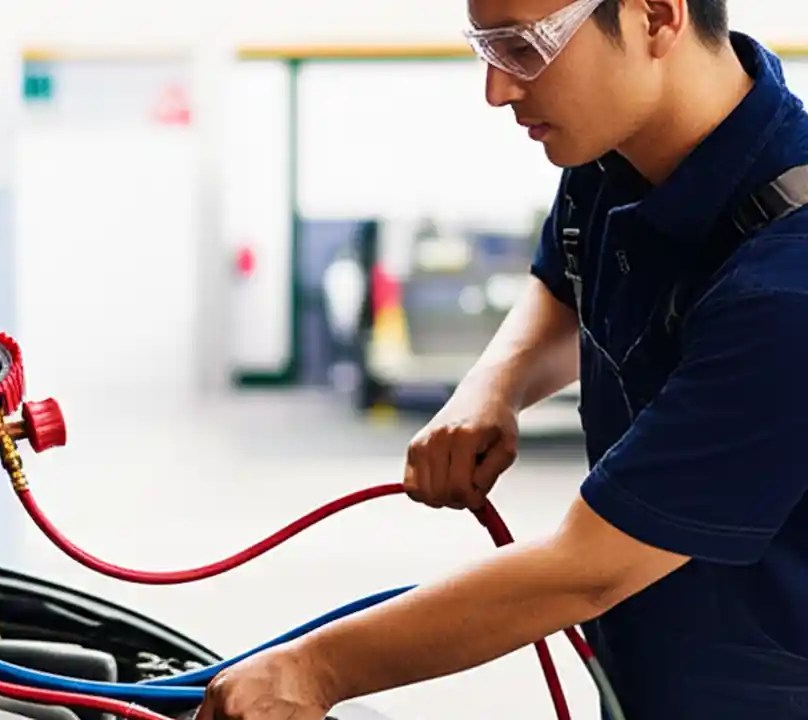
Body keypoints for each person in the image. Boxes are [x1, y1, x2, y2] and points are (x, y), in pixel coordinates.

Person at [194, 1, 808, 718]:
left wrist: (317, 670)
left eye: (524, 46)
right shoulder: (619, 151)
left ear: (657, 17)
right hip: (649, 679)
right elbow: (565, 279)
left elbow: (589, 570)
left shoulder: (788, 290)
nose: (498, 88)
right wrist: (494, 386)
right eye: (488, 46)